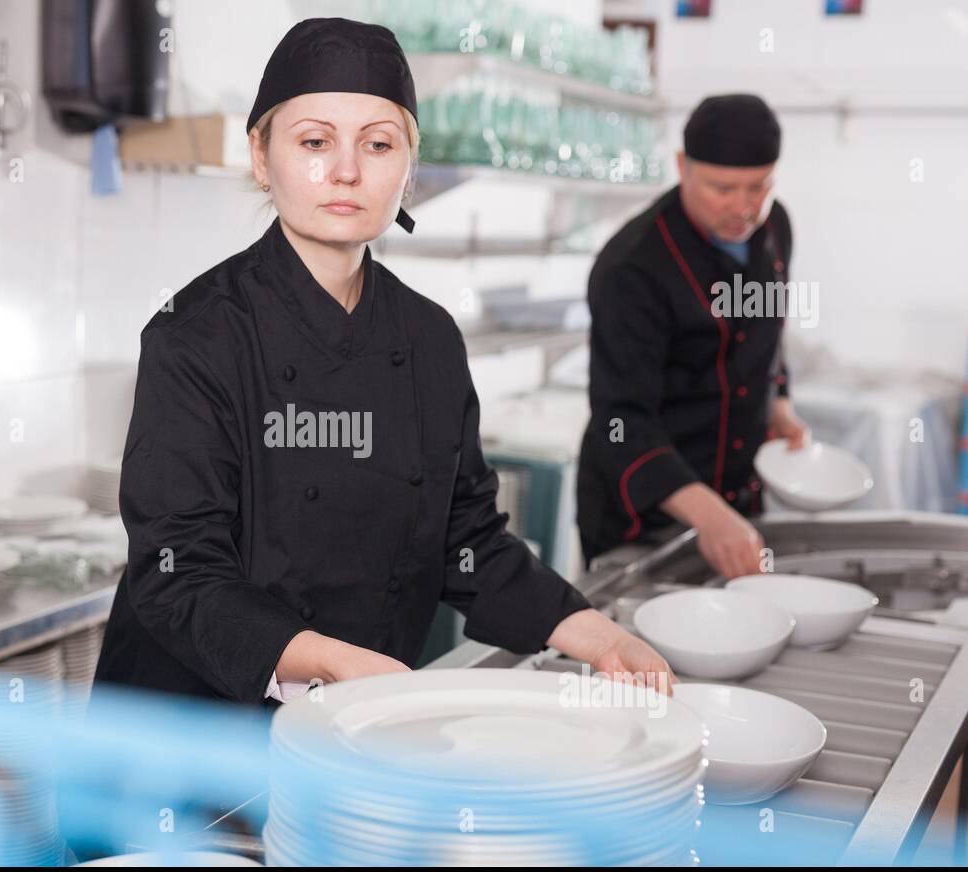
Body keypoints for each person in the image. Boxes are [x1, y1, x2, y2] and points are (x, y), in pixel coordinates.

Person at [94, 17, 674, 706]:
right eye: (314, 141)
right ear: (260, 154)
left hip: (353, 718)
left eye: (378, 144)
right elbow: (178, 570)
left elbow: (468, 539)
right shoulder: (195, 336)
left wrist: (597, 635)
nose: (347, 170)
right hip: (183, 732)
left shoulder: (429, 339)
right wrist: (328, 661)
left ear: (408, 163)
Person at [576, 94, 811, 580]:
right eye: (723, 188)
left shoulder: (776, 227)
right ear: (683, 167)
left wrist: (780, 400)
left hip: (738, 496)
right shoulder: (634, 268)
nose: (744, 208)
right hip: (642, 515)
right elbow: (622, 420)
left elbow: (767, 330)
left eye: (759, 186)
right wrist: (708, 517)